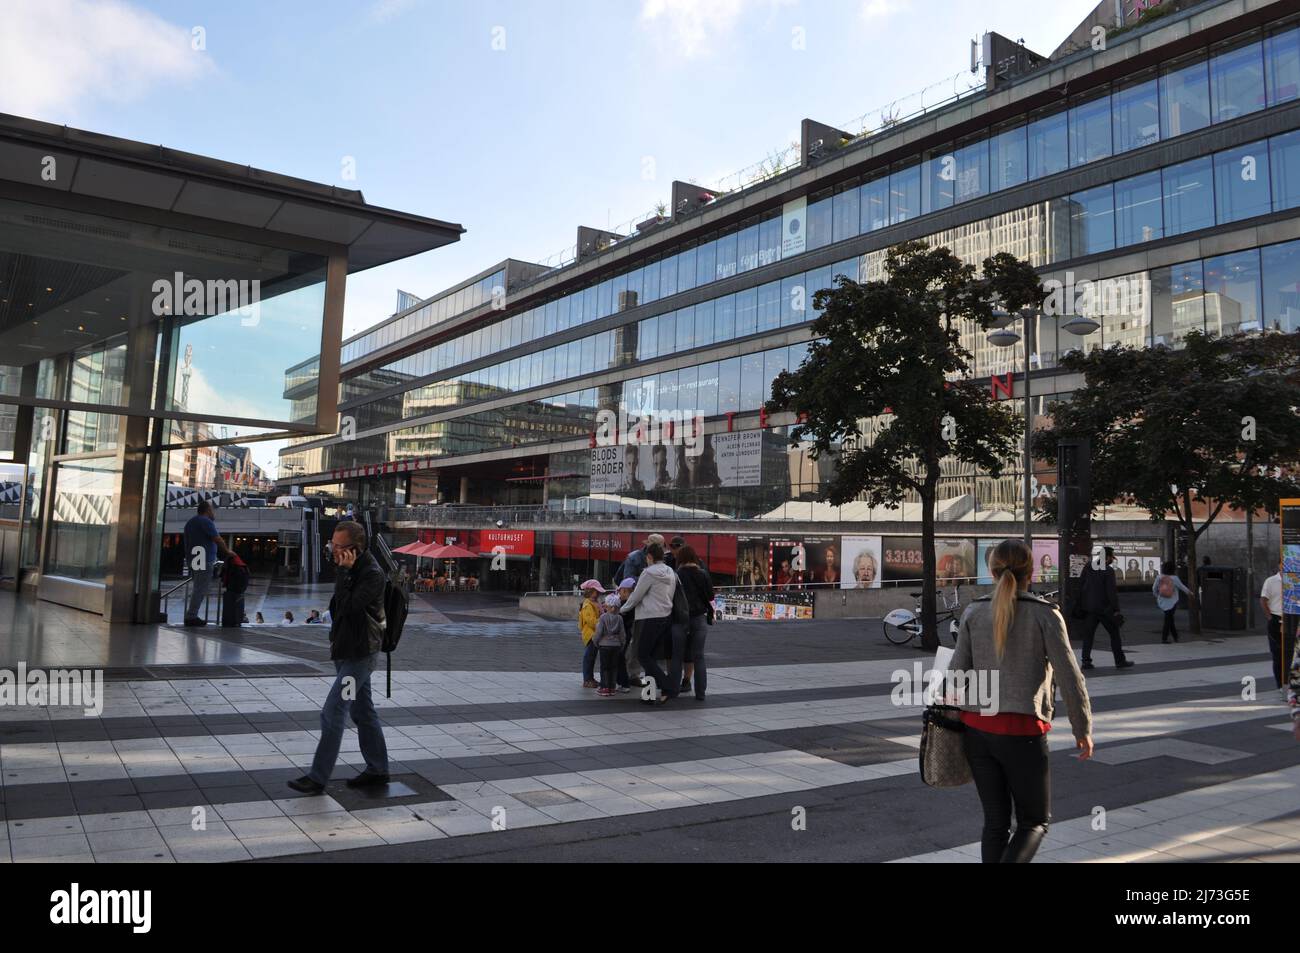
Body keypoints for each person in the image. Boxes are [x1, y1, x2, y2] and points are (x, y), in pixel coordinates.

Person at [948, 539, 1094, 863]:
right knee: (1034, 822)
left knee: (995, 824)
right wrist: (1082, 728)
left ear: (992, 570)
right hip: (1022, 730)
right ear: (1031, 573)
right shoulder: (1045, 615)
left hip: (977, 731)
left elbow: (955, 676)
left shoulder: (973, 612)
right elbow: (1071, 677)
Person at [288, 521, 390, 793]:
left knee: (333, 711)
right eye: (332, 544)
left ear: (353, 549)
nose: (332, 550)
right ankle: (378, 769)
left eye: (338, 546)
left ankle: (318, 777)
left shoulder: (371, 574)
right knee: (362, 711)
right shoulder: (352, 569)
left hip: (360, 654)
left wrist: (343, 574)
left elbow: (348, 607)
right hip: (346, 650)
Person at [620, 542, 677, 704]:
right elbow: (671, 595)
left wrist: (622, 609)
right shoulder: (670, 572)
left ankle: (668, 686)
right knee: (651, 657)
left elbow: (636, 595)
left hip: (648, 618)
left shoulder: (648, 573)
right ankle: (649, 695)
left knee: (642, 655)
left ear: (650, 557)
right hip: (666, 617)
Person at [1078, 547, 1134, 670]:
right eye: (1111, 558)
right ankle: (1120, 660)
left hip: (1090, 608)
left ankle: (1086, 661)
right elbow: (1111, 592)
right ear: (1107, 557)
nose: (1112, 561)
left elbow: (1081, 585)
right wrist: (1116, 609)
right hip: (1104, 609)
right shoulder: (1108, 571)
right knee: (1114, 634)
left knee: (1088, 636)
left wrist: (1083, 603)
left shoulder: (1088, 567)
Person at [182, 500, 232, 626]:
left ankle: (191, 615)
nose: (213, 512)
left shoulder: (191, 522)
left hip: (193, 559)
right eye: (212, 510)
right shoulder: (205, 521)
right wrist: (227, 551)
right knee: (200, 588)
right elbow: (217, 539)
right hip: (203, 559)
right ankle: (191, 616)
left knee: (197, 587)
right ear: (207, 510)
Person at [675, 545, 713, 700]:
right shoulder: (703, 574)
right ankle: (701, 693)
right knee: (699, 656)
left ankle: (673, 690)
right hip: (699, 618)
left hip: (681, 619)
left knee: (678, 655)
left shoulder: (677, 575)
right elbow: (710, 596)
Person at [1261, 564, 1296, 693]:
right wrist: (1269, 617)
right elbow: (1263, 599)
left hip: (1291, 618)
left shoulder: (1294, 580)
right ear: (1280, 566)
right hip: (1276, 619)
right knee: (1277, 653)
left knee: (1291, 652)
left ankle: (1290, 682)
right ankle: (1281, 684)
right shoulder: (1270, 581)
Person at [593, 594, 627, 697]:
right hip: (616, 646)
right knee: (613, 667)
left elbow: (599, 632)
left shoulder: (603, 618)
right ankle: (612, 687)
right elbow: (622, 633)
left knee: (605, 667)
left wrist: (596, 641)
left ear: (608, 606)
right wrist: (622, 643)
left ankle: (604, 687)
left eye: (606, 605)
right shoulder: (620, 618)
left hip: (604, 646)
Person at [1152, 560, 1191, 644]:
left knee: (1169, 618)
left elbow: (1154, 588)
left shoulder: (1159, 577)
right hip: (1172, 601)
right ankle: (1164, 638)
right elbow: (1182, 587)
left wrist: (1157, 596)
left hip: (1162, 601)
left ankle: (1175, 636)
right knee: (1168, 619)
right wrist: (1190, 593)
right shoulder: (1174, 578)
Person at [578, 579, 604, 689]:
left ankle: (590, 678)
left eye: (598, 592)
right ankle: (587, 679)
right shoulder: (587, 604)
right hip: (590, 635)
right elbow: (591, 621)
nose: (597, 594)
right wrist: (602, 623)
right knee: (589, 657)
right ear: (589, 591)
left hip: (596, 634)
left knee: (592, 657)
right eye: (596, 591)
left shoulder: (596, 603)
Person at [616, 577, 639, 690]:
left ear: (624, 591)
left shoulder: (625, 604)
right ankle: (620, 680)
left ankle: (623, 682)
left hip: (623, 635)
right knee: (621, 657)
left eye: (620, 591)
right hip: (626, 634)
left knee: (620, 657)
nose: (619, 594)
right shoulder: (632, 603)